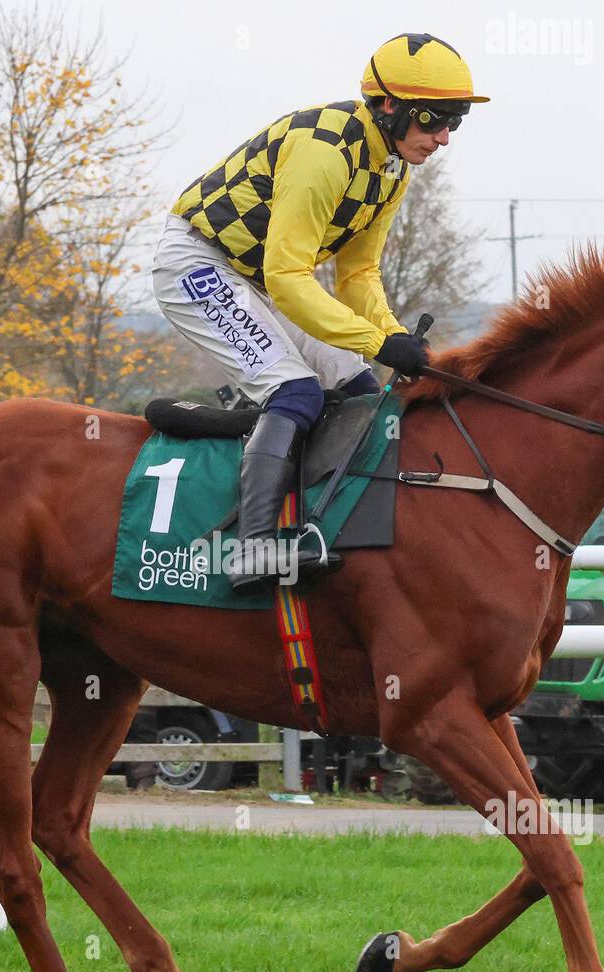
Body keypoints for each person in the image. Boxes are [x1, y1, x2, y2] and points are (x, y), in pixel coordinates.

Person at [151, 33, 488, 593]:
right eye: (433, 119)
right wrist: (379, 343)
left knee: (360, 393)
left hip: (259, 278)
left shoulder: (392, 170)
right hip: (199, 262)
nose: (444, 137)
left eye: (455, 121)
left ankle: (322, 524)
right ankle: (253, 548)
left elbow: (356, 275)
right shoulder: (325, 154)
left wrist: (397, 336)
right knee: (297, 392)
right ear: (388, 105)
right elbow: (288, 277)